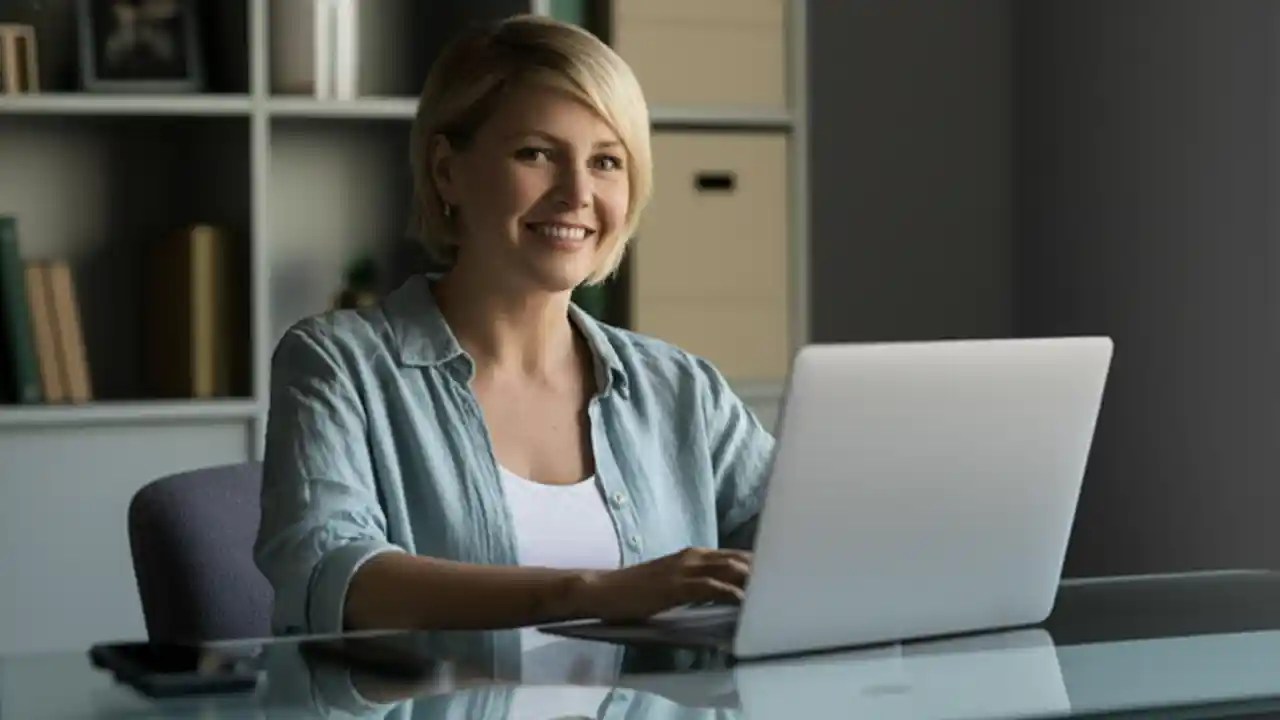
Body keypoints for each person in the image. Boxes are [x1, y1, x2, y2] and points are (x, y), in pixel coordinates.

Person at [253, 14, 775, 675]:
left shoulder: (681, 388)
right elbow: (334, 578)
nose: (578, 194)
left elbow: (807, 548)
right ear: (447, 173)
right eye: (536, 153)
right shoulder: (339, 363)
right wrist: (591, 592)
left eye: (606, 162)